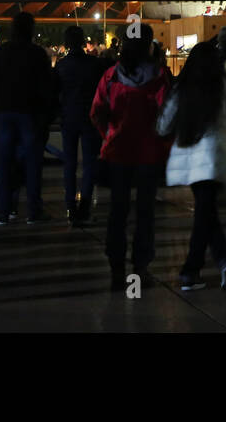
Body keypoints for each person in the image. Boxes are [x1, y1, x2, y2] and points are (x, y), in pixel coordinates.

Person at [156, 41, 226, 291]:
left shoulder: (182, 87)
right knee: (207, 213)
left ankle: (194, 269)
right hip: (214, 157)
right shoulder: (223, 87)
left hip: (190, 159)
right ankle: (221, 265)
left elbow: (164, 124)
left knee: (205, 213)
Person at [91, 23, 170, 290]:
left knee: (118, 210)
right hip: (148, 154)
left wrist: (109, 134)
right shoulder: (159, 77)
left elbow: (96, 112)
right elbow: (168, 117)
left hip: (117, 153)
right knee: (145, 212)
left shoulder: (111, 76)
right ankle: (141, 267)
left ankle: (116, 267)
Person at [0, 11, 55, 225]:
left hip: (5, 112)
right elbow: (47, 86)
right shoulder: (37, 54)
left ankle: (2, 211)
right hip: (29, 113)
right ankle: (34, 210)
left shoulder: (0, 52)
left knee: (4, 162)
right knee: (32, 163)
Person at [54, 25, 107, 225]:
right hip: (89, 116)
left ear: (67, 43)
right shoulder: (94, 64)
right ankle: (84, 204)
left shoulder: (61, 66)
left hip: (68, 116)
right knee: (89, 162)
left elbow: (55, 92)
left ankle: (70, 204)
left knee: (69, 162)